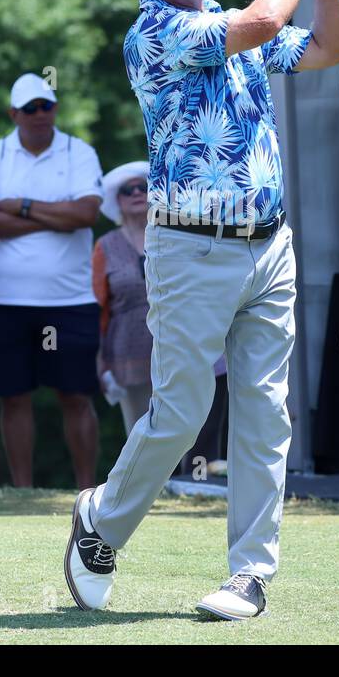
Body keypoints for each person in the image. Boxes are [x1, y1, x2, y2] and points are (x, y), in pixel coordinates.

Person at [64, 0, 339, 620]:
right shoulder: (156, 33)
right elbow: (261, 24)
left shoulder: (230, 17)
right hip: (192, 249)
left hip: (269, 246)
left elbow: (330, 48)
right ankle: (101, 522)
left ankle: (249, 575)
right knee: (183, 412)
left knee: (263, 411)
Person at [0, 73, 105, 491]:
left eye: (47, 106)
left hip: (69, 300)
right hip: (5, 300)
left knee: (76, 395)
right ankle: (22, 491)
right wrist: (52, 218)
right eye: (30, 108)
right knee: (14, 396)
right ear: (14, 114)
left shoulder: (79, 151)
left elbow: (85, 215)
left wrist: (21, 207)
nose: (40, 115)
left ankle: (87, 491)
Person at [93, 160, 229, 476]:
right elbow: (99, 306)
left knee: (197, 419)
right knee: (144, 434)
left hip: (187, 341)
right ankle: (146, 497)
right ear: (117, 201)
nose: (138, 193)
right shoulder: (105, 246)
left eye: (144, 186)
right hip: (130, 350)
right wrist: (100, 363)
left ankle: (198, 482)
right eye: (129, 190)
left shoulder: (179, 231)